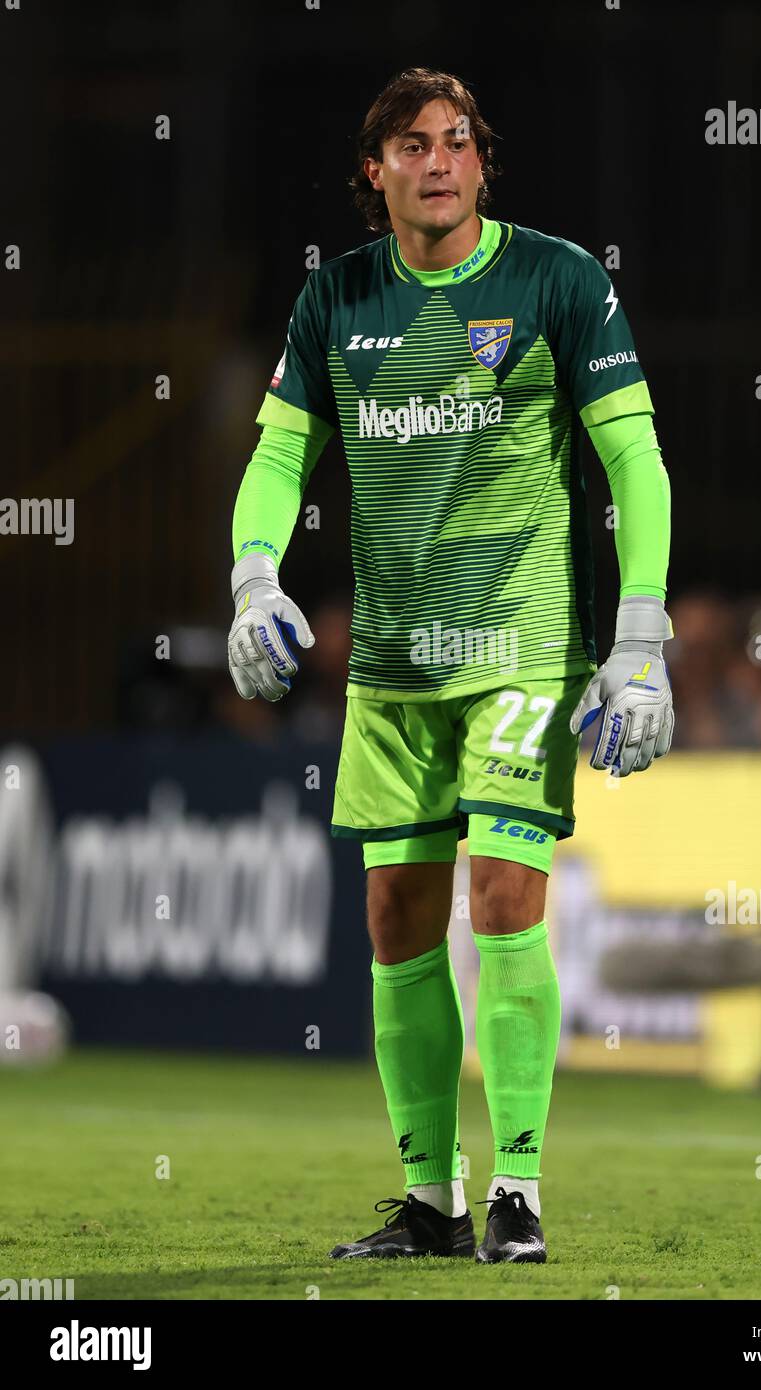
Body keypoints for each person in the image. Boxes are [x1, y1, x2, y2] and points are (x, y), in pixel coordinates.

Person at [227, 67, 673, 1263]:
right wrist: (255, 576)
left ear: (483, 161)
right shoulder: (336, 300)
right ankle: (432, 1201)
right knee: (393, 918)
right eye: (412, 144)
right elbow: (278, 461)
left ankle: (518, 1187)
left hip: (522, 641)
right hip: (393, 659)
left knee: (505, 897)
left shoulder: (558, 281)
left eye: (459, 141)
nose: (440, 160)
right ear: (373, 173)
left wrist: (638, 637)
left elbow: (634, 460)